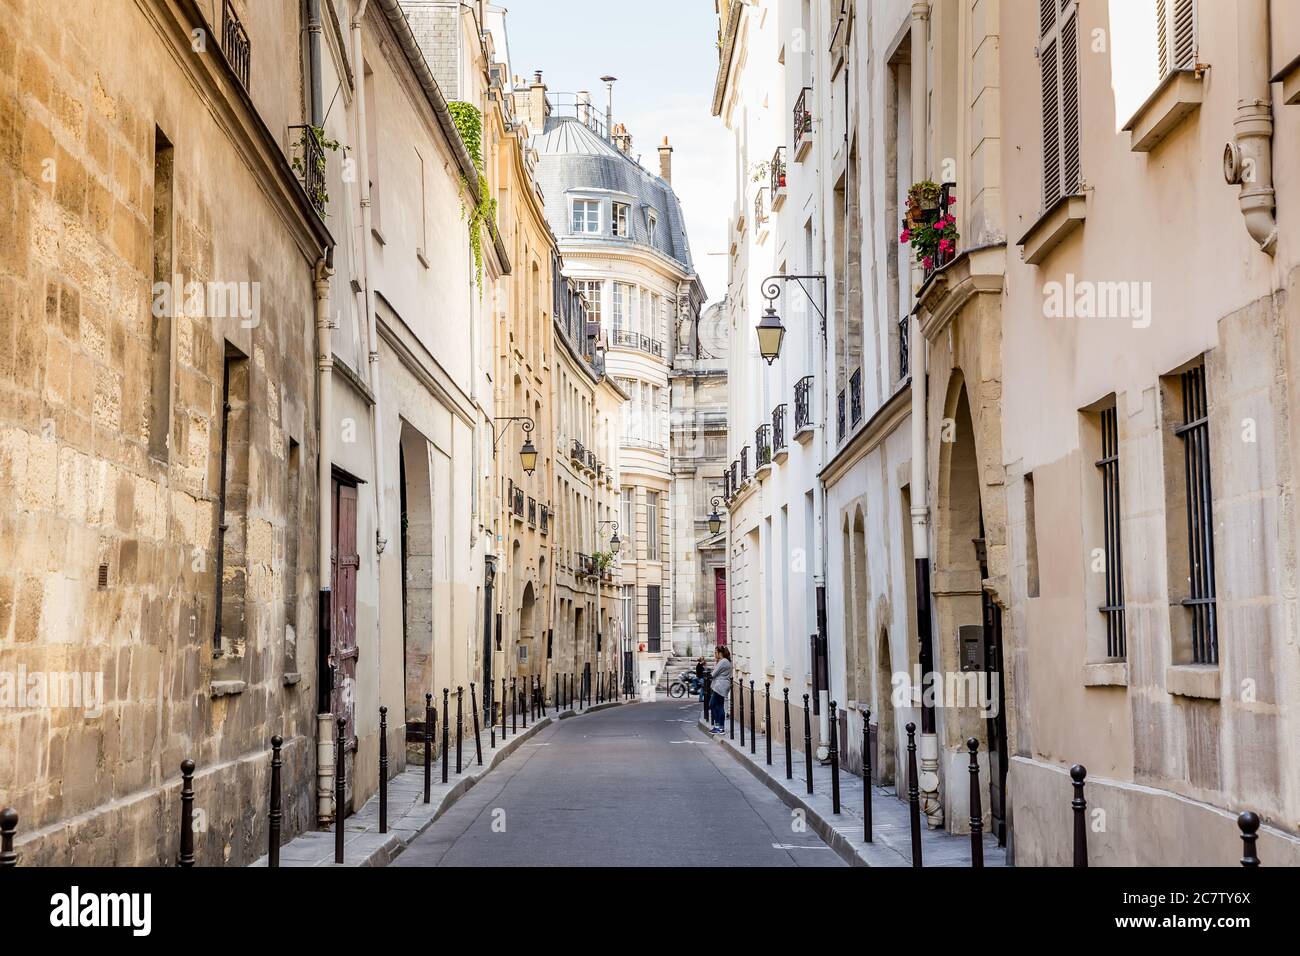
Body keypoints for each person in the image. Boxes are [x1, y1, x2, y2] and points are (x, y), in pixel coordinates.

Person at [708, 646, 731, 733]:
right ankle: (719, 727)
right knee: (718, 705)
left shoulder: (723, 661)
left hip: (720, 686)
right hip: (721, 686)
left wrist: (716, 663)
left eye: (715, 652)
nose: (714, 654)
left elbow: (713, 674)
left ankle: (719, 727)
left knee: (713, 704)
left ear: (719, 653)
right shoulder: (724, 661)